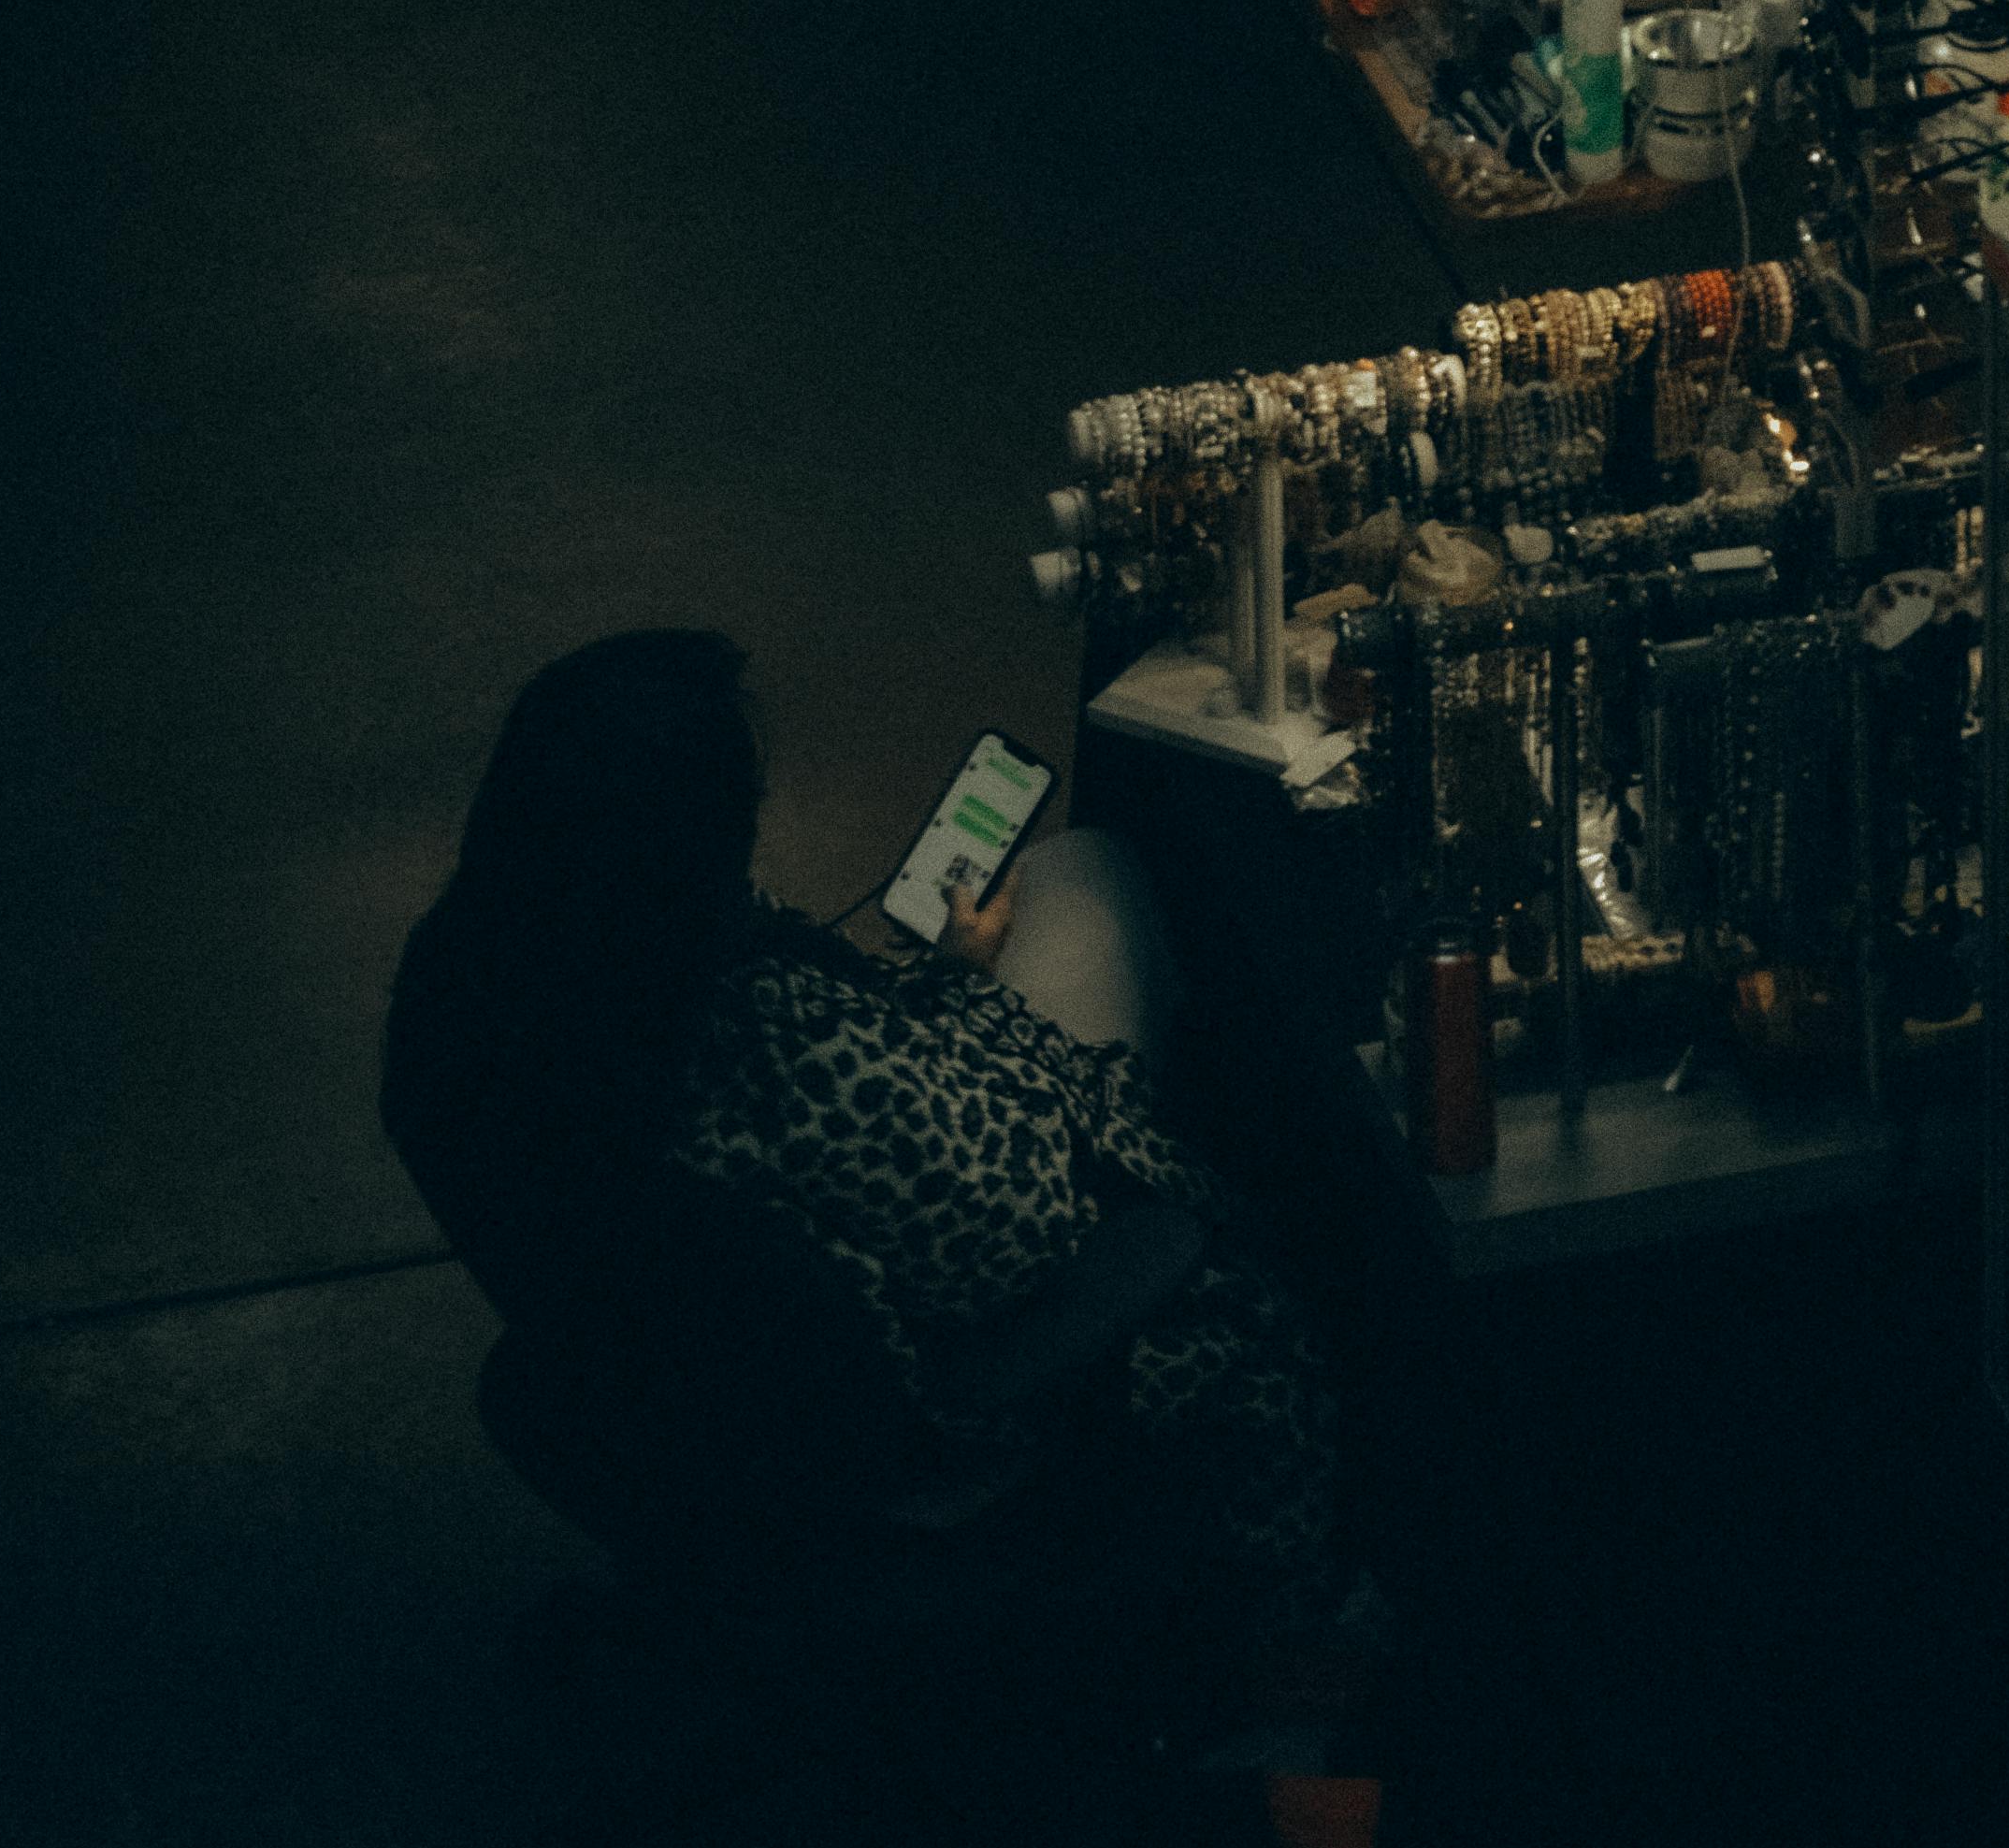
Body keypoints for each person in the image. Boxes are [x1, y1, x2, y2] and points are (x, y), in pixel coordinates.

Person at [383, 628, 1366, 1737]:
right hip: (908, 1418)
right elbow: (1032, 1221)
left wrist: (913, 983)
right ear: (687, 852)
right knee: (1099, 902)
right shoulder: (770, 1048)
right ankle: (1290, 1666)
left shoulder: (478, 974)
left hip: (658, 1384)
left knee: (1075, 878)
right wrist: (991, 1022)